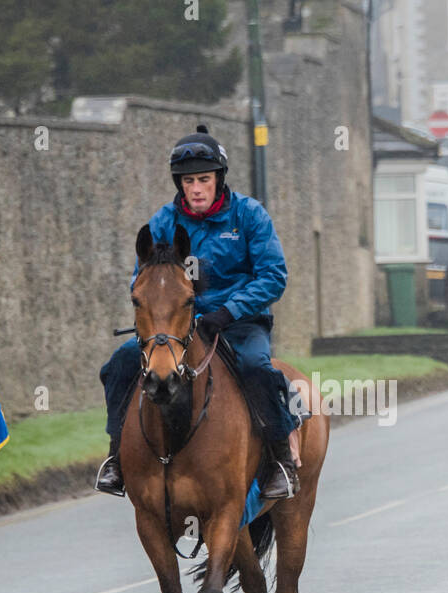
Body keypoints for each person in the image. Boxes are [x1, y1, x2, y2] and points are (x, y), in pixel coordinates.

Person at [96, 125, 299, 500]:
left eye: (204, 179)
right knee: (120, 365)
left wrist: (227, 311)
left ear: (219, 179)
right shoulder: (162, 222)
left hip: (238, 325)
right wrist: (159, 307)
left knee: (256, 367)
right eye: (188, 181)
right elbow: (141, 280)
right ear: (180, 184)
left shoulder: (249, 215)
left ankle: (280, 460)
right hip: (178, 328)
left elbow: (274, 277)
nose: (196, 189)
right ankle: (115, 458)